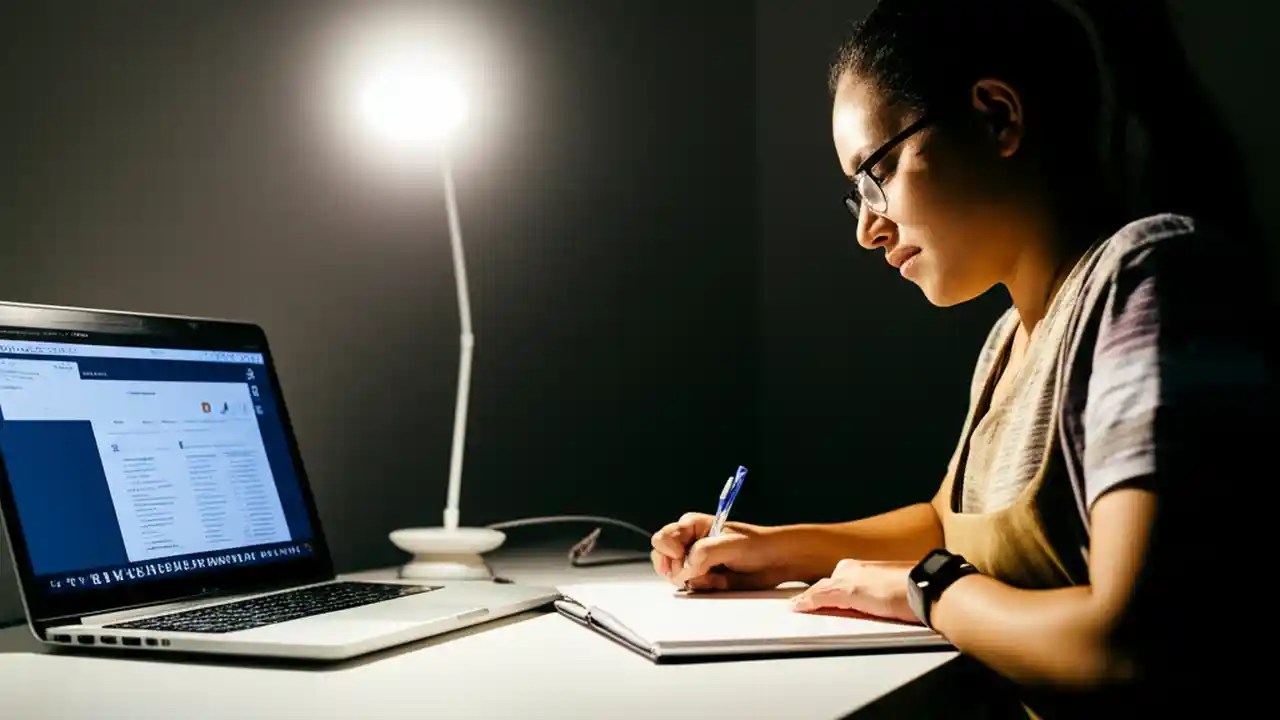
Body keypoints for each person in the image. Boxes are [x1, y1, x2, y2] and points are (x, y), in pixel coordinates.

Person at [650, 0, 1274, 715]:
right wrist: (775, 548)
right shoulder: (1010, 341)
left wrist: (931, 589)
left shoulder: (1153, 283)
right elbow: (949, 518)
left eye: (876, 172)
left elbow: (1130, 645)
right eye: (854, 194)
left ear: (995, 117)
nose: (868, 230)